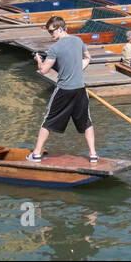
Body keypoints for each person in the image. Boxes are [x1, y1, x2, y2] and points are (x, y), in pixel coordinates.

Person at [29, 16, 98, 162]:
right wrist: (78, 69)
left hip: (63, 90)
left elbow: (44, 71)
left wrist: (39, 60)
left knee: (48, 121)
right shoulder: (78, 41)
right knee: (87, 122)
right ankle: (93, 154)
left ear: (60, 29)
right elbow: (87, 57)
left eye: (51, 31)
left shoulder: (55, 48)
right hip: (80, 89)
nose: (51, 35)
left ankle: (36, 153)